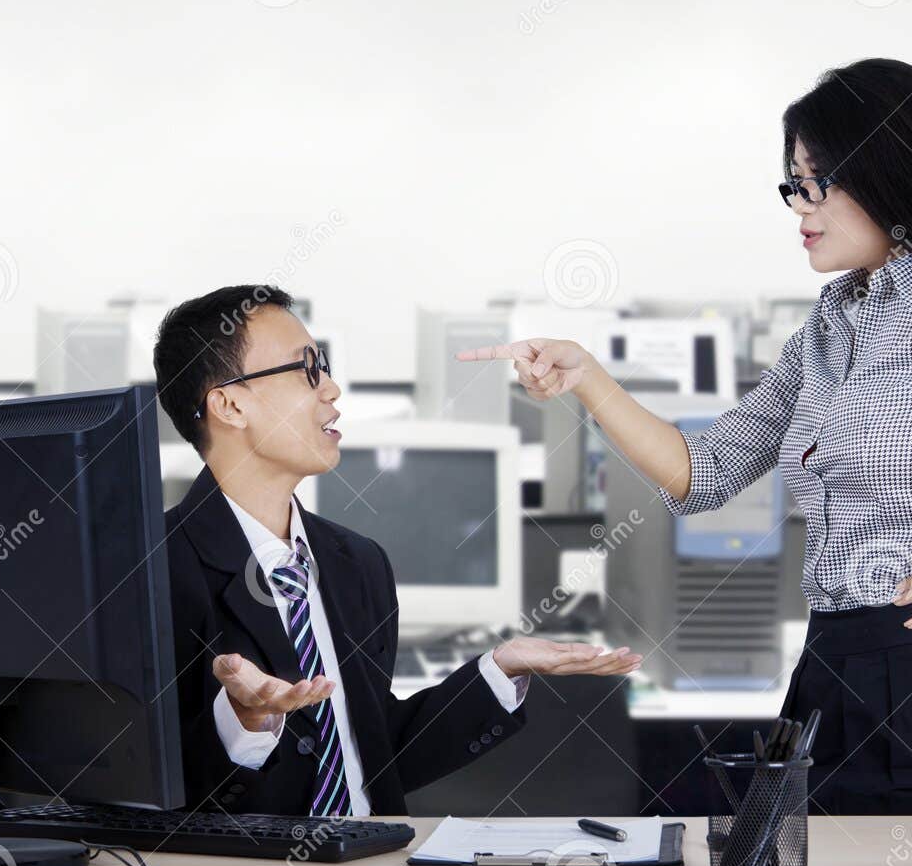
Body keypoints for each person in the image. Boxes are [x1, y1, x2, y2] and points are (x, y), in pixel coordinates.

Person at [460, 58, 912, 816]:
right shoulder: (829, 321)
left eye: (818, 183)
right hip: (828, 671)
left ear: (888, 175)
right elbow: (704, 471)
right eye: (794, 184)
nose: (800, 207)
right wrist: (587, 377)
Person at [153, 284, 641, 816]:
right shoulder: (152, 569)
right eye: (307, 370)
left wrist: (498, 670)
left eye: (326, 366)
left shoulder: (356, 564)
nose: (332, 389)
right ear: (228, 404)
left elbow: (379, 757)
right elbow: (136, 792)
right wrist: (243, 723)